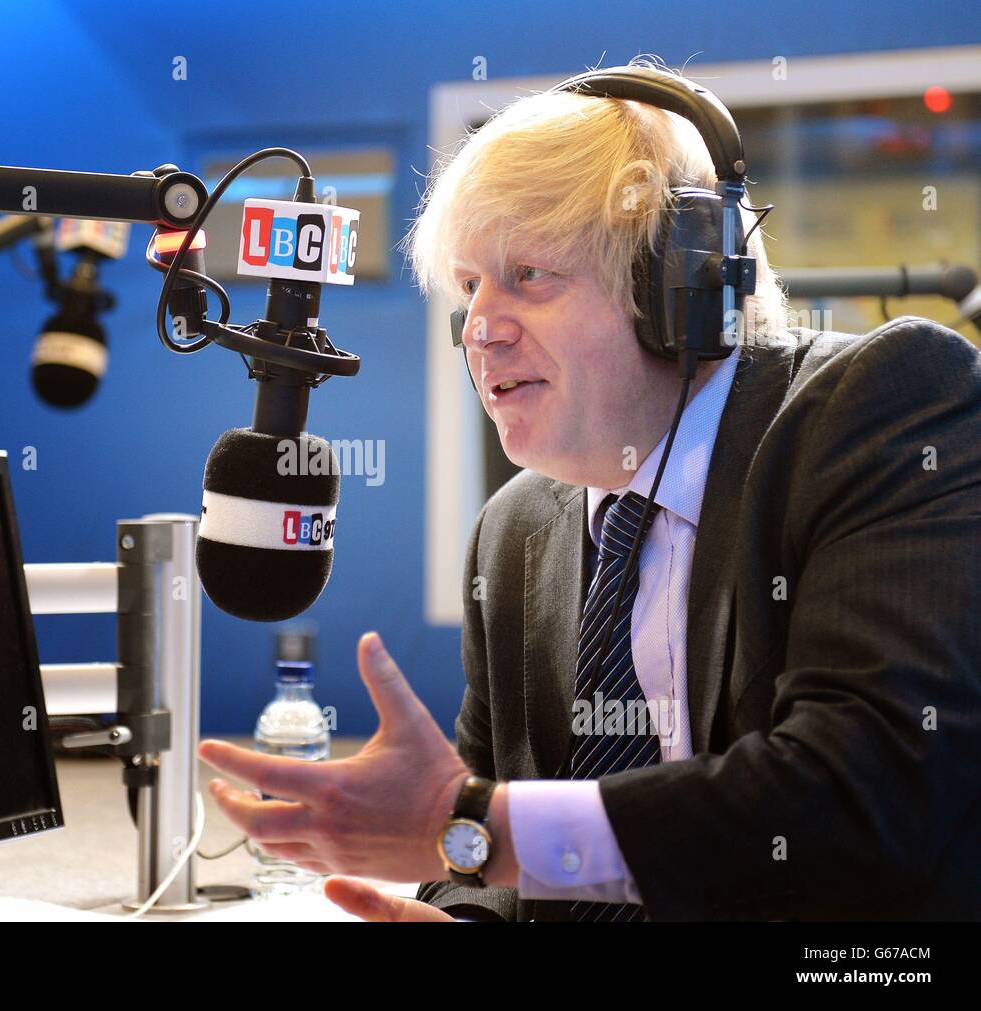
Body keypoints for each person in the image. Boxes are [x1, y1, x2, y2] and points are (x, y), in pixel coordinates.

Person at [198, 60, 981, 921]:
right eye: (470, 286)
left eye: (529, 274)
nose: (482, 331)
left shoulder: (879, 409)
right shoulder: (516, 527)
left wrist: (468, 823)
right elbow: (487, 859)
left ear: (678, 285)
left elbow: (862, 796)